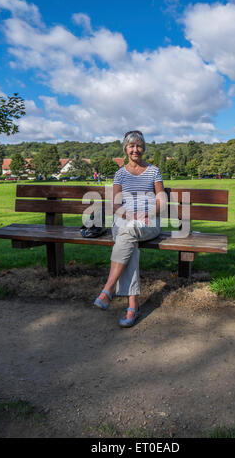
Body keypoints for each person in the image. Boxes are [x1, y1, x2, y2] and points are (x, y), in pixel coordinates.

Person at [93, 130, 165, 327]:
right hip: (125, 222)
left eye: (139, 146)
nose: (136, 149)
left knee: (128, 234)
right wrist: (130, 216)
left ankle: (108, 289)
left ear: (144, 148)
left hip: (149, 224)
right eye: (132, 146)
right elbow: (116, 205)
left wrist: (147, 214)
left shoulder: (154, 171)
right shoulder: (120, 174)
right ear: (125, 149)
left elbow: (161, 201)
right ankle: (132, 307)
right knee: (128, 238)